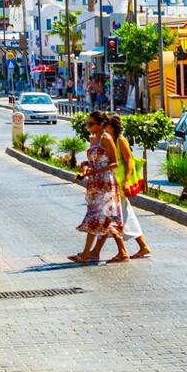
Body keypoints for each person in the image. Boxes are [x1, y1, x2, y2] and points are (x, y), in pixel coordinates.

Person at [70, 111, 128, 264]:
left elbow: (114, 163)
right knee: (103, 219)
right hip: (94, 184)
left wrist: (96, 171)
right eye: (87, 124)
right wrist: (85, 165)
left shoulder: (106, 138)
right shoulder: (93, 139)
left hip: (105, 183)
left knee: (96, 217)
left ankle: (86, 254)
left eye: (91, 124)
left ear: (101, 124)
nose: (88, 127)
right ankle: (120, 253)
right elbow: (94, 160)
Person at [97, 113, 151, 259]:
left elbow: (129, 161)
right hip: (113, 182)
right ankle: (141, 246)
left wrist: (126, 181)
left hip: (119, 183)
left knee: (113, 214)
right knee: (123, 213)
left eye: (106, 124)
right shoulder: (109, 139)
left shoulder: (120, 140)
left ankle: (104, 251)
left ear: (112, 127)